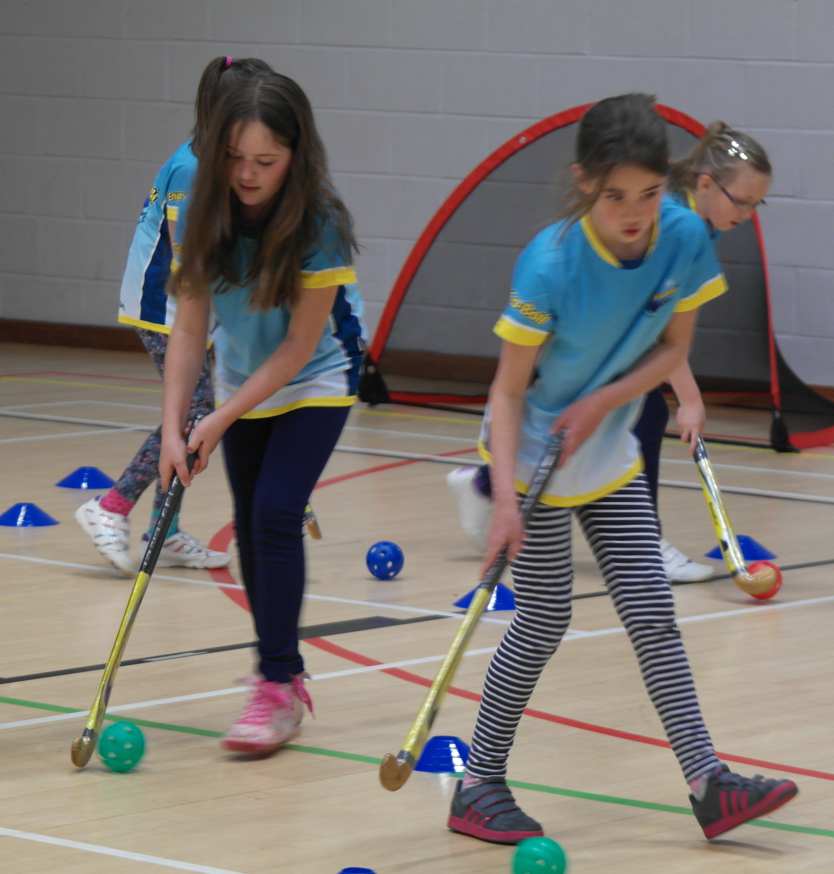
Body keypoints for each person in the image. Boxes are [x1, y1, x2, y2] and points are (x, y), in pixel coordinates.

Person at [447, 94, 797, 845]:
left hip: (603, 445)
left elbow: (673, 349)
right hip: (533, 448)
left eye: (646, 194)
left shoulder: (681, 235)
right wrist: (504, 501)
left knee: (651, 614)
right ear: (584, 184)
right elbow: (508, 391)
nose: (633, 214)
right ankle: (477, 786)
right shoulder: (549, 263)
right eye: (614, 197)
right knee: (542, 620)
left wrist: (604, 399)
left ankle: (709, 786)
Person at [447, 122, 772, 584]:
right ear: (705, 183)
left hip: (614, 356)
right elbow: (656, 328)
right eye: (742, 201)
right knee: (645, 417)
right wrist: (690, 399)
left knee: (622, 421)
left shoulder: (696, 228)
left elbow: (667, 332)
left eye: (758, 203)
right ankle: (647, 542)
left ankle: (481, 485)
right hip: (574, 349)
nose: (749, 213)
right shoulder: (669, 221)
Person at [160, 70, 365, 756]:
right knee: (249, 523)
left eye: (266, 162)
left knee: (276, 512)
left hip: (316, 378)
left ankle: (274, 684)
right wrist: (174, 426)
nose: (248, 175)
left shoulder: (320, 223)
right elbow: (189, 328)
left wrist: (217, 421)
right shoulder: (202, 211)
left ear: (295, 157)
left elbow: (302, 346)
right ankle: (287, 671)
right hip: (243, 374)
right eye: (235, 159)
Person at [75, 56, 272, 576]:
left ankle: (166, 528)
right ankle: (110, 505)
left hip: (194, 304)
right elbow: (194, 266)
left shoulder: (223, 164)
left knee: (200, 413)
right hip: (163, 304)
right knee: (192, 412)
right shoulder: (191, 169)